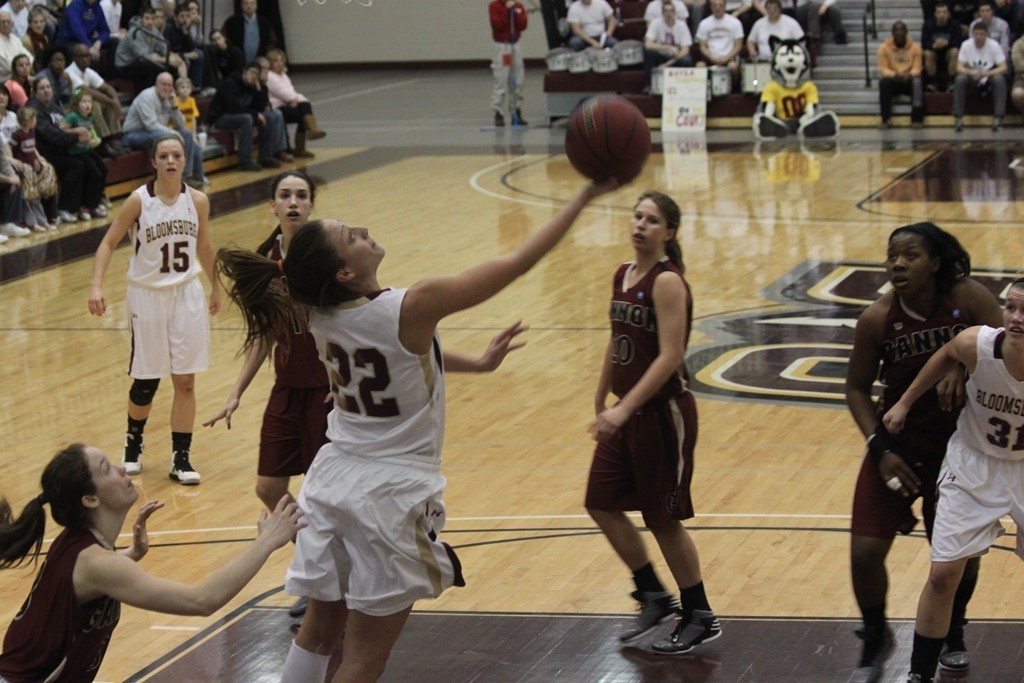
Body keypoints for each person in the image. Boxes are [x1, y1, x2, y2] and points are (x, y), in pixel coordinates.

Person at [215, 177, 615, 683]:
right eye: (350, 236)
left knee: (317, 632)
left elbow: (403, 362)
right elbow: (513, 265)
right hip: (389, 492)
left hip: (333, 477)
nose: (361, 229)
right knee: (362, 657)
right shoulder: (412, 306)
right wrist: (583, 194)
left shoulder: (312, 308)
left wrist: (478, 364)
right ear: (343, 270)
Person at [0, 443, 305, 682]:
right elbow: (202, 600)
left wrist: (131, 554)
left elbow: (74, 586)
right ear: (90, 500)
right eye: (107, 469)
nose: (122, 470)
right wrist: (266, 542)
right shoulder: (98, 564)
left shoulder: (81, 550)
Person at [844, 222, 1002, 683]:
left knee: (957, 558)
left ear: (935, 262)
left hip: (958, 447)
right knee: (864, 553)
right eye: (892, 255)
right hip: (898, 445)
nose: (897, 263)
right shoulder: (877, 318)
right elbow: (854, 388)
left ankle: (953, 631)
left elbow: (1005, 348)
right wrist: (879, 447)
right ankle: (876, 633)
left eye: (910, 255)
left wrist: (964, 366)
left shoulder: (967, 298)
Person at [583, 190, 720, 656]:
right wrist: (603, 393)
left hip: (662, 414)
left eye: (652, 220)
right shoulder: (624, 274)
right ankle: (652, 593)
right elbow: (617, 337)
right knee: (600, 500)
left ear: (670, 232)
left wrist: (623, 409)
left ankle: (699, 613)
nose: (640, 225)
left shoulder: (666, 282)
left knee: (662, 519)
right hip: (627, 410)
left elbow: (671, 356)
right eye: (637, 216)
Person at [882, 280, 1024, 683]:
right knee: (943, 574)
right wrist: (905, 402)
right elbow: (945, 353)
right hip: (973, 462)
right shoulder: (977, 343)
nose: (1015, 318)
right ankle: (920, 674)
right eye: (1010, 308)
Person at [204, 170, 325, 620]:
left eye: (301, 195)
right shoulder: (262, 261)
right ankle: (321, 566)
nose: (293, 202)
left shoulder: (326, 255)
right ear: (272, 207)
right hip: (287, 389)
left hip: (326, 391)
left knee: (320, 493)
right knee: (268, 486)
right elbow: (263, 334)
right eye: (284, 196)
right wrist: (236, 392)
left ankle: (320, 582)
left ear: (312, 204)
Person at [87, 134, 222, 486]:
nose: (172, 161)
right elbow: (107, 242)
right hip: (146, 295)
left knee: (186, 380)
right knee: (146, 381)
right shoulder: (138, 201)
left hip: (186, 293)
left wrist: (216, 286)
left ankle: (181, 457)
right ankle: (133, 443)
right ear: (154, 162)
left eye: (177, 155)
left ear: (185, 159)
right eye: (164, 156)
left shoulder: (198, 201)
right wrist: (96, 285)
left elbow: (204, 246)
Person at [25, 76, 102, 224]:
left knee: (91, 162)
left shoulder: (54, 106)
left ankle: (86, 204)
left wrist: (81, 134)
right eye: (42, 88)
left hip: (63, 148)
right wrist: (75, 137)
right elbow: (50, 135)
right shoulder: (33, 108)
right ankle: (64, 208)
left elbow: (65, 128)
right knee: (76, 165)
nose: (46, 90)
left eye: (48, 87)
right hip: (46, 154)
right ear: (34, 92)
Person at [121, 72, 206, 186]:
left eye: (169, 85)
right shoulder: (147, 96)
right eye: (163, 84)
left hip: (156, 133)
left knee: (187, 134)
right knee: (163, 137)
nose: (166, 88)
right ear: (156, 84)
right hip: (133, 135)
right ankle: (169, 179)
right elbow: (150, 125)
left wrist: (174, 105)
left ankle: (189, 177)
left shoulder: (169, 98)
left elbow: (181, 125)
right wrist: (172, 133)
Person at [206, 60, 279, 171]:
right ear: (245, 71)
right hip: (220, 117)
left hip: (238, 116)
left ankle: (265, 156)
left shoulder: (252, 86)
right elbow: (233, 107)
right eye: (252, 72)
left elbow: (260, 107)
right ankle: (244, 161)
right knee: (247, 118)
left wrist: (258, 88)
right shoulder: (230, 83)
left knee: (268, 116)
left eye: (257, 74)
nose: (254, 76)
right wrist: (255, 115)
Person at [66, 41, 127, 158]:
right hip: (72, 107)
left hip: (84, 104)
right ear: (74, 58)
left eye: (87, 56)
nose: (85, 59)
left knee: (108, 105)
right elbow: (88, 91)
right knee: (94, 104)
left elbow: (106, 87)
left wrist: (115, 100)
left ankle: (111, 139)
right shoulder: (70, 72)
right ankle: (102, 142)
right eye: (81, 56)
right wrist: (111, 101)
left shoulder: (88, 71)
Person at [266, 48, 325, 157]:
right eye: (276, 61)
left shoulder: (284, 76)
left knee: (305, 104)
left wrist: (298, 99)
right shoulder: (270, 77)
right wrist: (293, 100)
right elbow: (284, 94)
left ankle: (310, 132)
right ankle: (309, 131)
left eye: (281, 60)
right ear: (270, 63)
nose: (279, 63)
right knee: (302, 112)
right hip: (277, 107)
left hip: (288, 103)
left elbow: (292, 92)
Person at [952, 21, 1007, 132]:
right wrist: (971, 72)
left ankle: (998, 118)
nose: (978, 37)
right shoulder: (966, 45)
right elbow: (959, 67)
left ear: (986, 34)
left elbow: (1003, 68)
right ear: (972, 34)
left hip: (988, 77)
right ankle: (958, 118)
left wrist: (986, 73)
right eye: (976, 34)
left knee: (999, 79)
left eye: (981, 34)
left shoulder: (994, 45)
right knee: (960, 79)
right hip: (972, 77)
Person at [9, 106, 57, 231]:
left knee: (35, 196)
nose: (36, 120)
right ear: (27, 120)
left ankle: (43, 221)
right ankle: (32, 223)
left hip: (32, 168)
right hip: (25, 170)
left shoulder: (32, 131)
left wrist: (38, 157)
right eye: (34, 118)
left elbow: (32, 148)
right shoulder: (17, 134)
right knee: (27, 197)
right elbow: (9, 147)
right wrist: (13, 160)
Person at [488, 0, 528, 127]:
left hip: (515, 45)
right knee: (501, 80)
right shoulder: (494, 6)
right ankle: (498, 112)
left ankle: (516, 110)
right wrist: (506, 10)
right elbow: (497, 24)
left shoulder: (519, 6)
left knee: (517, 80)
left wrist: (515, 12)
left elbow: (522, 25)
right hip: (502, 46)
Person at [878, 21, 924, 129]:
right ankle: (885, 119)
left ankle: (917, 120)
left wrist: (909, 75)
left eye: (901, 30)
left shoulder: (915, 48)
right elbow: (883, 69)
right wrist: (894, 75)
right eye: (896, 30)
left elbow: (917, 68)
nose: (899, 33)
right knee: (883, 82)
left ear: (906, 32)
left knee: (917, 82)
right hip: (894, 79)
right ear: (892, 33)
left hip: (908, 80)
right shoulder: (883, 48)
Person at [643, 0, 693, 88]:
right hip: (661, 55)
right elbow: (648, 44)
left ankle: (684, 86)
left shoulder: (681, 25)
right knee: (649, 52)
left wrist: (667, 64)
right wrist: (668, 47)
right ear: (662, 13)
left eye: (671, 11)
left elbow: (685, 49)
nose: (668, 14)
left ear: (675, 12)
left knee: (687, 60)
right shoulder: (656, 23)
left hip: (675, 58)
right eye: (666, 11)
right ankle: (649, 85)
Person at [695, 0, 744, 84]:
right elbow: (702, 45)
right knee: (699, 66)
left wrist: (726, 57)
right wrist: (711, 56)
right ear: (711, 7)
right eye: (715, 5)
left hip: (729, 57)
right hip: (710, 57)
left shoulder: (735, 22)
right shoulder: (704, 23)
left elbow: (738, 45)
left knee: (733, 67)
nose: (718, 8)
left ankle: (733, 89)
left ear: (725, 6)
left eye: (720, 5)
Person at [922, 2, 964, 91]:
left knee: (955, 51)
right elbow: (924, 43)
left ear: (948, 14)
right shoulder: (928, 24)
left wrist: (947, 43)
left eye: (944, 12)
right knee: (927, 53)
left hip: (948, 53)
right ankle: (933, 83)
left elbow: (959, 42)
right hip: (935, 53)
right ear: (935, 14)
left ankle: (951, 82)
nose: (942, 15)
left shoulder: (954, 24)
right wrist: (933, 45)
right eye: (939, 12)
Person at [220, 0, 277, 64]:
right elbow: (223, 39)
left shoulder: (264, 23)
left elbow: (272, 42)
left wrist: (266, 56)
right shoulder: (231, 22)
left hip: (259, 64)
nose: (249, 6)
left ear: (256, 5)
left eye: (252, 3)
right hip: (237, 63)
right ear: (241, 6)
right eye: (245, 3)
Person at [0, 9, 32, 80]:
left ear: (12, 24)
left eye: (8, 22)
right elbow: (7, 66)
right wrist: (24, 65)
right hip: (4, 81)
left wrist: (23, 66)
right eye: (3, 22)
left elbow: (30, 57)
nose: (6, 24)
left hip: (20, 77)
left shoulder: (15, 39)